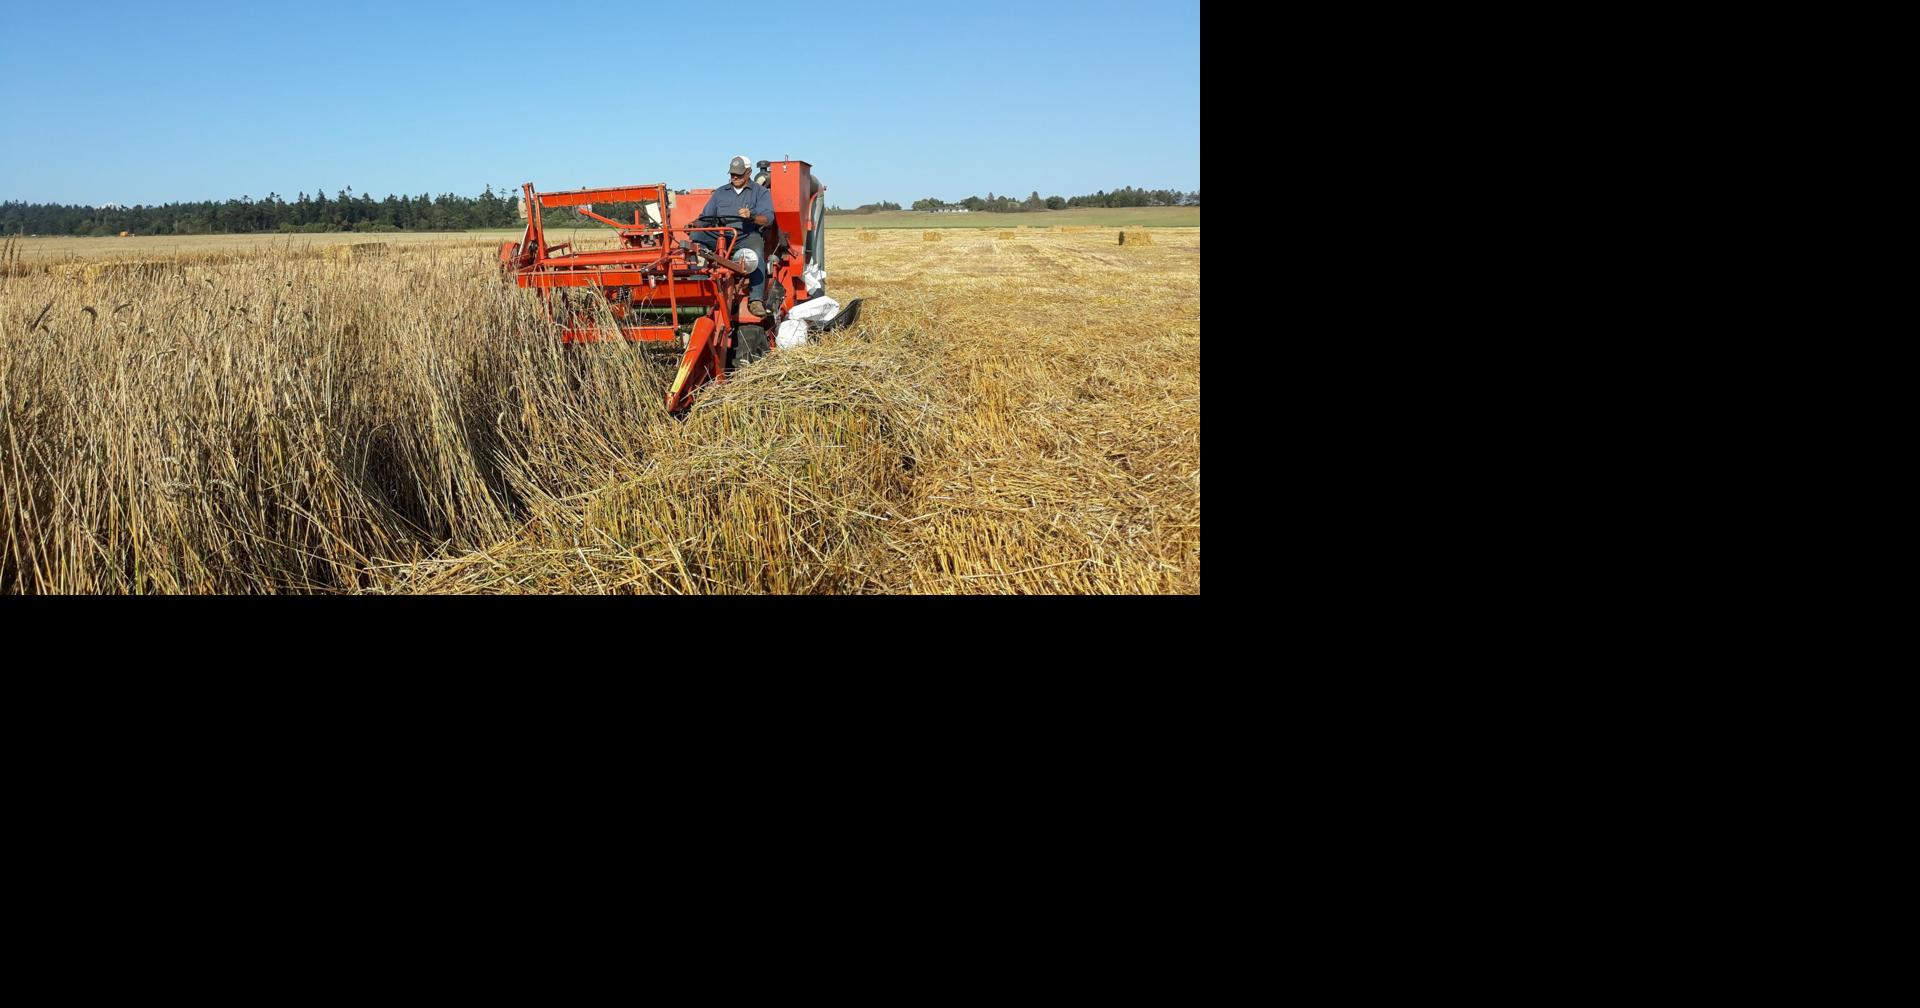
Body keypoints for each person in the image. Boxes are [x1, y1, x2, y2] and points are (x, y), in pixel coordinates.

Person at [687, 155, 776, 318]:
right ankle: (699, 279)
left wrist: (751, 216)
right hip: (722, 236)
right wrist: (695, 225)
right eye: (732, 174)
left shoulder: (760, 192)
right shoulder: (720, 193)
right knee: (696, 238)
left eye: (739, 174)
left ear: (749, 172)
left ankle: (755, 299)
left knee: (756, 251)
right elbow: (705, 217)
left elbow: (768, 219)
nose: (735, 177)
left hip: (747, 235)